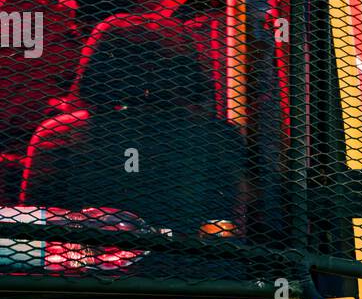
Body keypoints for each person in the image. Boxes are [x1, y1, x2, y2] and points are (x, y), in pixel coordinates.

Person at [20, 14, 246, 235]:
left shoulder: (59, 133)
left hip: (88, 265)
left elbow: (38, 221)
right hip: (186, 265)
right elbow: (227, 220)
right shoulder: (218, 136)